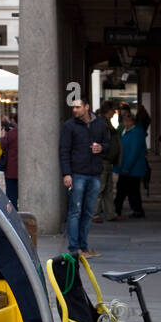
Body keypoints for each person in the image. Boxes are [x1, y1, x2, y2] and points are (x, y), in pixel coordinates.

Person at [58, 96, 109, 257]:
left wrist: (101, 147)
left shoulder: (100, 124)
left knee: (88, 212)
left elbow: (108, 144)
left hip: (94, 174)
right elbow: (64, 150)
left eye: (78, 107)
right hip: (77, 174)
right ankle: (74, 248)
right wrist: (66, 173)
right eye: (73, 107)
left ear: (87, 107)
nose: (74, 110)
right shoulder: (69, 126)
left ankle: (84, 247)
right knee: (75, 211)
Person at [113, 107, 148, 222]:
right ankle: (135, 210)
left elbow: (134, 151)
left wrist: (127, 167)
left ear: (132, 121)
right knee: (129, 189)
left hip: (132, 167)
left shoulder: (137, 132)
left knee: (125, 189)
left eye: (128, 121)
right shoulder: (125, 131)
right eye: (124, 121)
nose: (125, 123)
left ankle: (118, 209)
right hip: (126, 166)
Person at [92, 102, 121, 223]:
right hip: (102, 160)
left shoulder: (106, 122)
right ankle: (95, 214)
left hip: (108, 160)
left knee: (108, 188)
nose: (115, 112)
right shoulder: (100, 123)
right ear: (107, 110)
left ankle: (110, 213)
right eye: (113, 110)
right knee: (100, 187)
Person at [0, 118, 19, 207]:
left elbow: (3, 145)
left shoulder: (11, 133)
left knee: (11, 197)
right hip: (25, 171)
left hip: (11, 171)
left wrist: (3, 135)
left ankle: (14, 217)